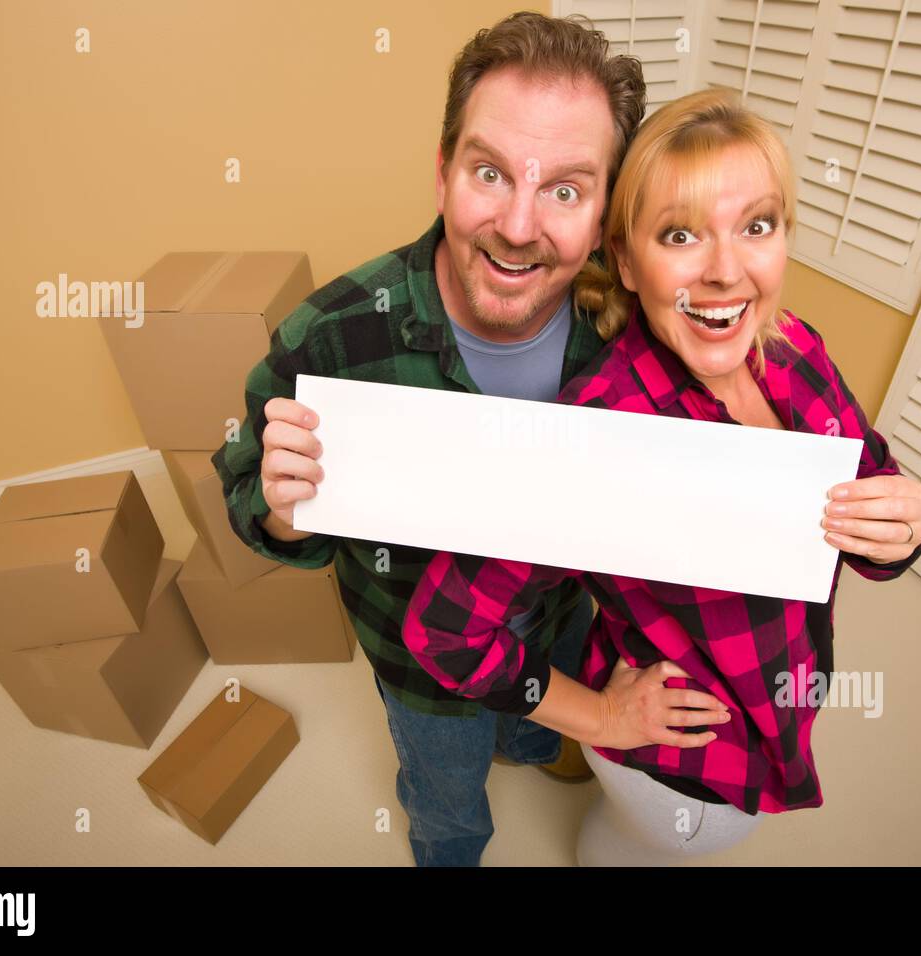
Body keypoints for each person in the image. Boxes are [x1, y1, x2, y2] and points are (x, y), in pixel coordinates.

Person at [213, 12, 700, 867]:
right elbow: (248, 489)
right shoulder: (330, 337)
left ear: (604, 221)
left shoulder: (630, 338)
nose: (518, 225)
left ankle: (533, 740)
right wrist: (283, 509)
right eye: (490, 172)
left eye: (565, 189)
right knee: (447, 804)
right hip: (421, 675)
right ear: (442, 174)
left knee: (531, 730)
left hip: (555, 625)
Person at [402, 88, 921, 866]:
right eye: (681, 234)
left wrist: (901, 527)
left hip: (785, 686)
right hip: (683, 768)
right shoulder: (600, 436)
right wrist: (597, 720)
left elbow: (867, 513)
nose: (725, 272)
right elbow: (444, 631)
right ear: (623, 257)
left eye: (756, 226)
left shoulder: (793, 349)